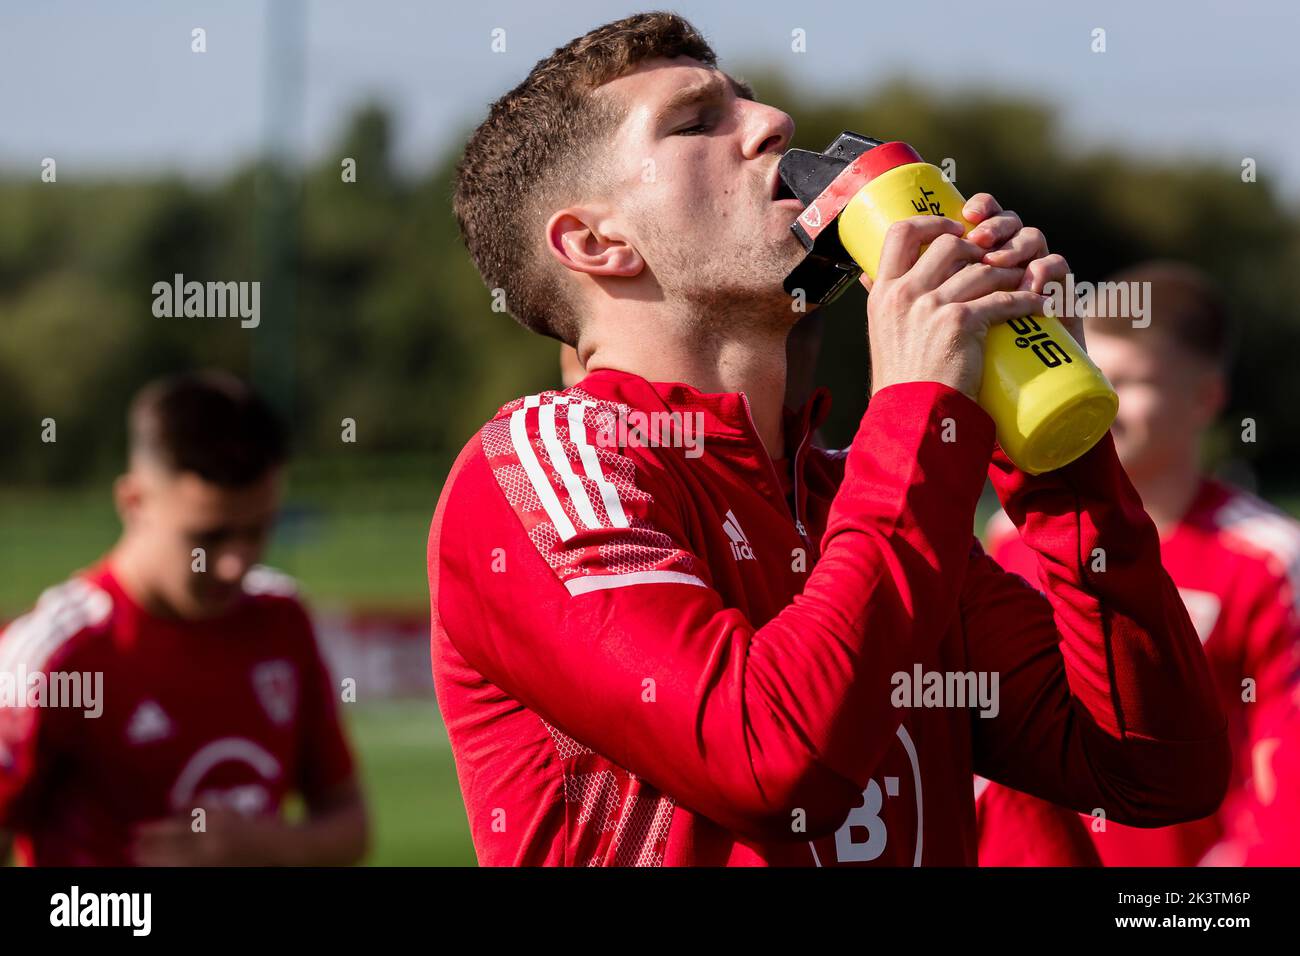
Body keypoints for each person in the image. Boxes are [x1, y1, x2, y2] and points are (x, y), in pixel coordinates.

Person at [429, 12, 1228, 866]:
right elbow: (773, 767)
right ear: (596, 243)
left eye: (751, 102)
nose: (773, 122)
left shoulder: (857, 489)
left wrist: (1052, 443)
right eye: (698, 121)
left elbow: (1158, 769)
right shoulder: (545, 463)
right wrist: (919, 407)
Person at [978, 262, 1300, 866]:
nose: (1105, 400)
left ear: (1206, 398)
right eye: (1092, 370)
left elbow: (1289, 778)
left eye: (1132, 381)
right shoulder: (1015, 539)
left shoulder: (1271, 560)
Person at [0, 371, 368, 866]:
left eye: (257, 531)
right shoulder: (55, 655)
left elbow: (349, 822)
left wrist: (261, 845)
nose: (236, 562)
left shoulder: (282, 618)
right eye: (209, 537)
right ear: (134, 502)